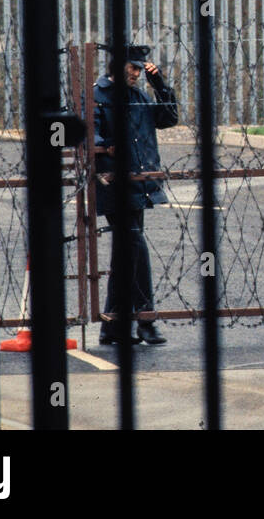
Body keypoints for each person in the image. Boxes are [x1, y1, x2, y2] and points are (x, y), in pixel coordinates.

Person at [93, 44, 178, 345]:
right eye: (132, 67)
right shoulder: (98, 95)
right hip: (113, 185)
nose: (136, 73)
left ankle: (112, 326)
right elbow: (90, 134)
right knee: (135, 246)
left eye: (140, 69)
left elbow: (169, 118)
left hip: (139, 183)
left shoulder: (140, 96)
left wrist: (160, 85)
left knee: (126, 252)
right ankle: (145, 319)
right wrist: (107, 146)